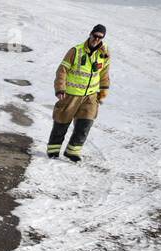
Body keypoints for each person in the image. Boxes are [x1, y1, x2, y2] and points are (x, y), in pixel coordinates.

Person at [47, 24, 110, 162]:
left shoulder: (104, 54)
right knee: (61, 122)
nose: (97, 39)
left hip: (91, 96)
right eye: (95, 36)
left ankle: (72, 151)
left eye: (100, 37)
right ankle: (53, 150)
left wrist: (104, 89)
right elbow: (62, 70)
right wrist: (60, 89)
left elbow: (104, 73)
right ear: (90, 34)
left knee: (85, 124)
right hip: (70, 94)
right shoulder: (75, 51)